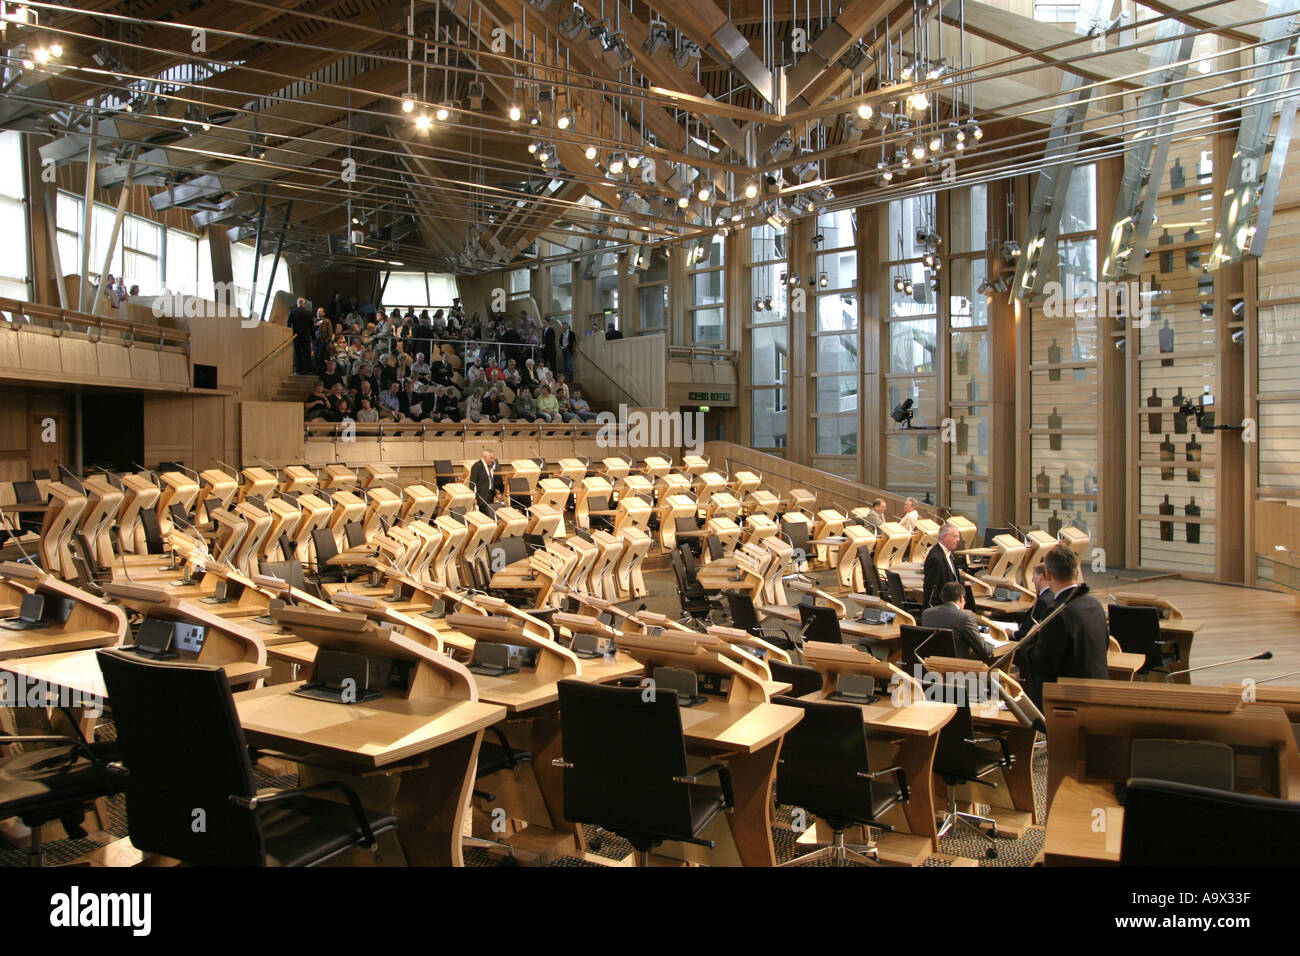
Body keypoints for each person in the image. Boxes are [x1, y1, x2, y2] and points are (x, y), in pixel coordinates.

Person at [1016, 545, 1109, 708]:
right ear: (1077, 572)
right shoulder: (1095, 604)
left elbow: (1045, 662)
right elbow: (1104, 644)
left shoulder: (1057, 612)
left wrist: (1027, 644)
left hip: (1069, 700)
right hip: (1098, 691)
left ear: (1049, 575)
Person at [921, 582, 991, 662]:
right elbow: (985, 651)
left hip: (932, 664)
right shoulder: (964, 617)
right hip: (957, 666)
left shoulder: (926, 614)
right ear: (961, 598)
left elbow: (950, 625)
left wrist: (985, 630)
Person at [922, 521, 970, 609]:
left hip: (954, 606)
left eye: (958, 536)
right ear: (944, 537)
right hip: (943, 609)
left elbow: (950, 578)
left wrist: (962, 583)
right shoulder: (935, 558)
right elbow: (931, 590)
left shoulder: (948, 553)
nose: (958, 539)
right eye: (955, 536)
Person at [287, 297, 314, 373]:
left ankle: (299, 370)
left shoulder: (292, 312)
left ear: (297, 303)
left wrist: (290, 335)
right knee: (307, 353)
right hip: (306, 336)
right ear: (304, 304)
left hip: (296, 336)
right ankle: (308, 369)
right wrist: (313, 337)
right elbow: (312, 327)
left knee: (297, 353)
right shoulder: (308, 313)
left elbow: (288, 324)